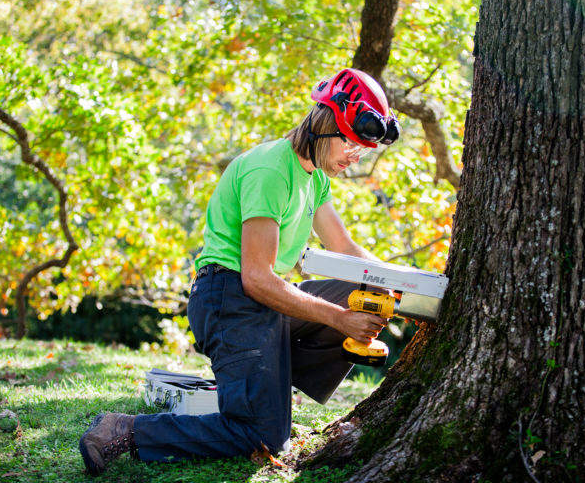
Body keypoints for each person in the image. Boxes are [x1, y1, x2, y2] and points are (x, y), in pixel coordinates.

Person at [78, 68, 401, 475]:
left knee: (364, 287)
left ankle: (263, 381)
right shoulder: (270, 170)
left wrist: (407, 288)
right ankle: (124, 429)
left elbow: (347, 252)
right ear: (324, 124)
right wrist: (339, 318)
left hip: (262, 301)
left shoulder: (315, 179)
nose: (354, 159)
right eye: (352, 146)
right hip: (229, 299)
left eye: (364, 152)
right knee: (263, 437)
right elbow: (257, 278)